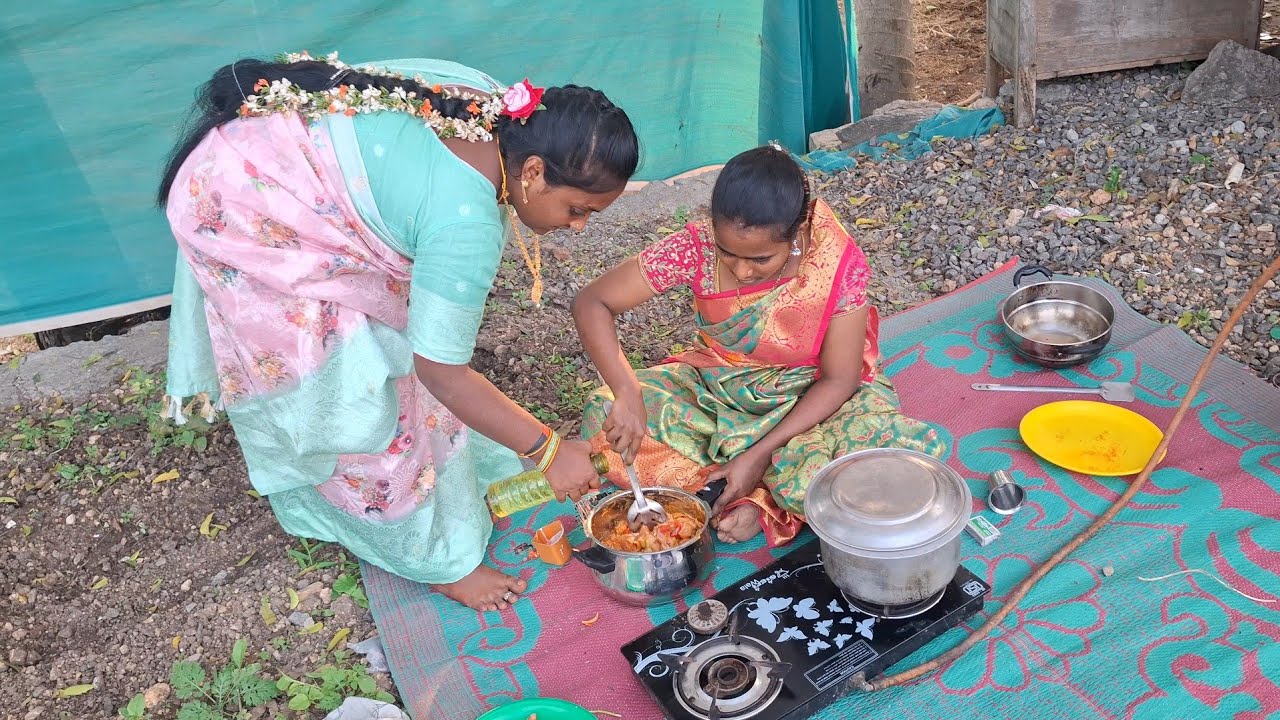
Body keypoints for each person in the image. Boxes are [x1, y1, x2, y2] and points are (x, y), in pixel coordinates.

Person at [158, 51, 638, 611]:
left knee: (406, 348)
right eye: (579, 210)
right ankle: (431, 558)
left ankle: (450, 471)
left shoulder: (502, 113)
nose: (578, 227)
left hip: (278, 167)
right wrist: (548, 450)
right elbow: (443, 373)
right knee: (349, 395)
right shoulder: (464, 224)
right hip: (244, 210)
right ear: (533, 172)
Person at [573, 145, 944, 546]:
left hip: (811, 401)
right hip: (719, 393)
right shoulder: (695, 249)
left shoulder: (835, 262)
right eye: (727, 253)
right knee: (604, 413)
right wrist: (628, 394)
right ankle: (742, 492)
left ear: (798, 231)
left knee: (872, 459)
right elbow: (592, 302)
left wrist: (758, 454)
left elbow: (840, 381)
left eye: (762, 259)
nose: (742, 270)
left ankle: (751, 494)